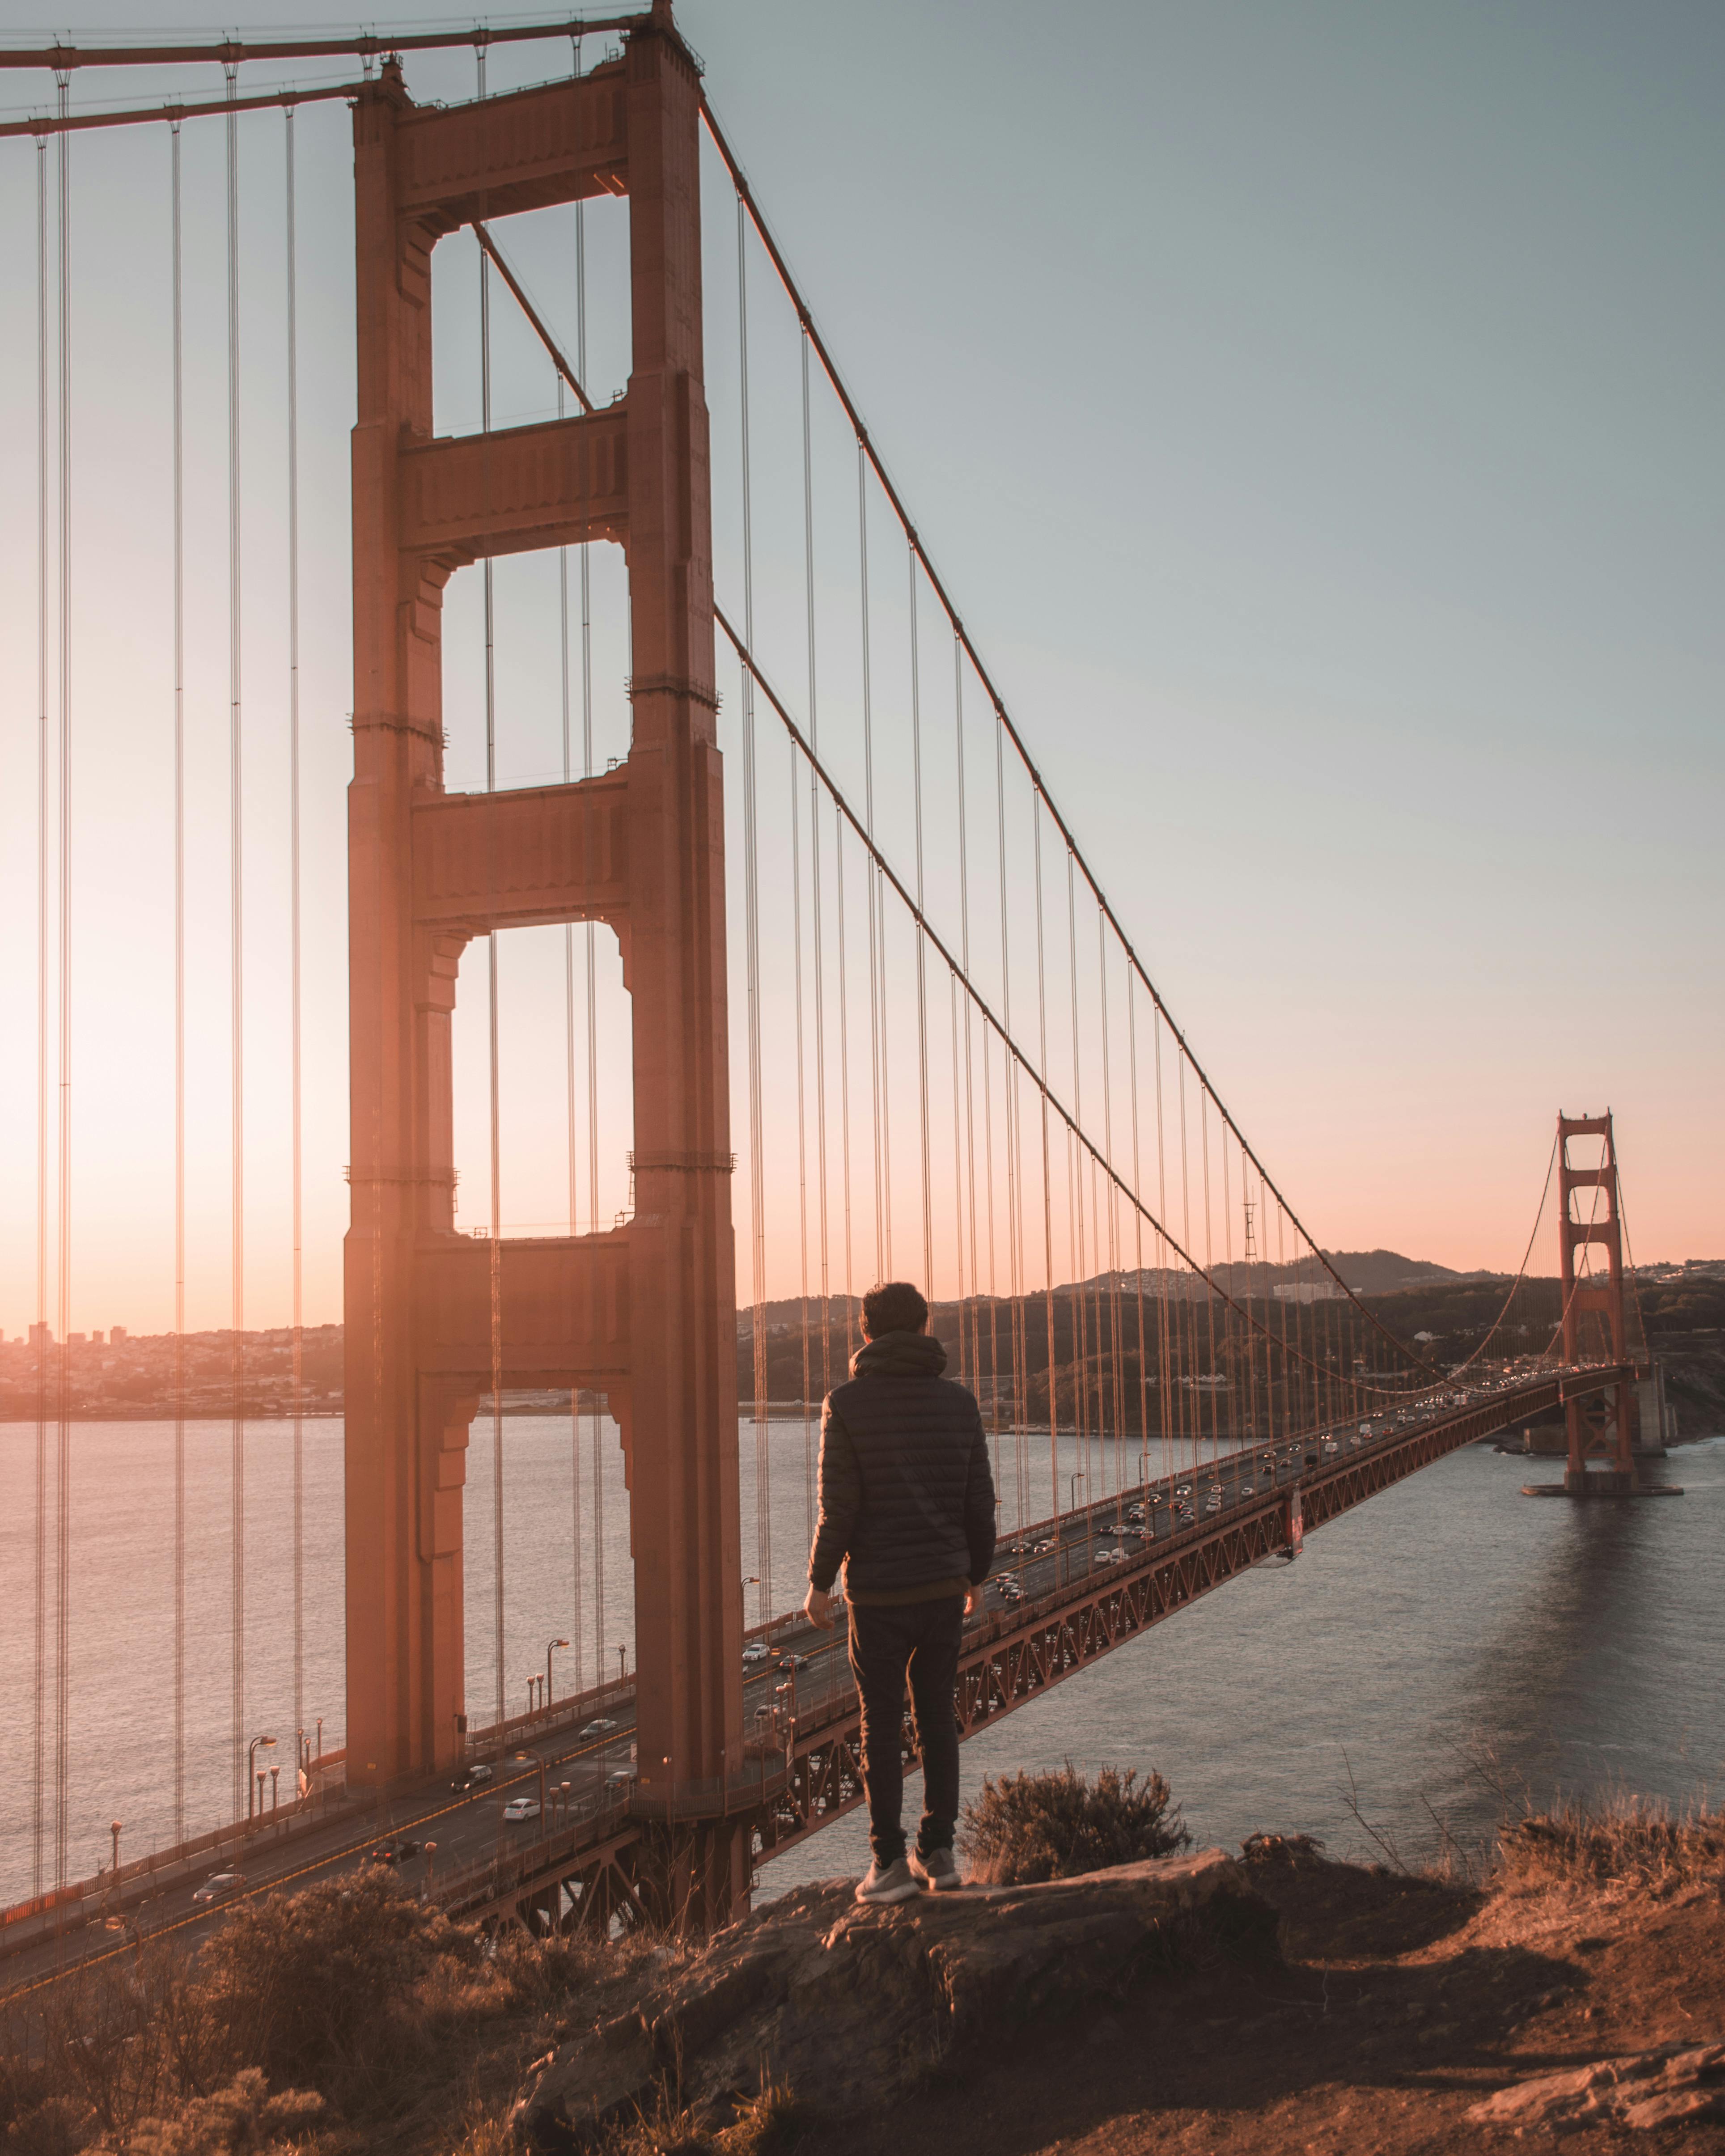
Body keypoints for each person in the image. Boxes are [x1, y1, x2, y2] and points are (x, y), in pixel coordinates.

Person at [803, 1279, 996, 1904]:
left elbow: (840, 1507)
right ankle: (938, 1852)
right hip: (942, 1586)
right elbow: (978, 1503)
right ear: (922, 1329)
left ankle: (886, 1864)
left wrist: (818, 1582)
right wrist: (975, 1574)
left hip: (878, 1593)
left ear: (865, 1333)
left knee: (879, 1724)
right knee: (938, 1715)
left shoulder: (844, 1403)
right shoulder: (960, 1403)